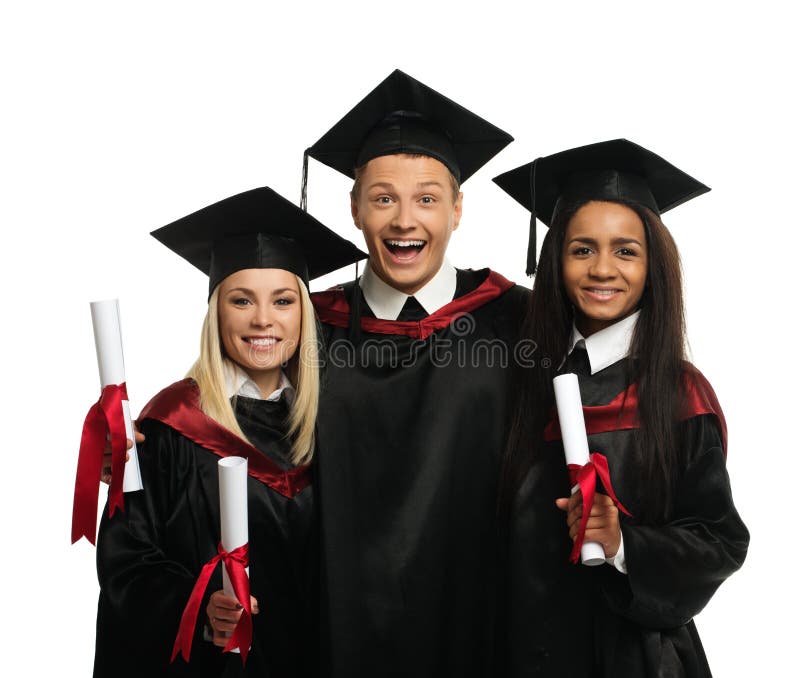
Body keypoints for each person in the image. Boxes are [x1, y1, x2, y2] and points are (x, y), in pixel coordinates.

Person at [303, 70, 531, 676]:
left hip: (481, 620)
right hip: (336, 621)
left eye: (427, 198)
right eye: (383, 198)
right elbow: (239, 433)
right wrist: (154, 454)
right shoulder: (304, 328)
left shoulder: (520, 321)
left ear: (458, 209)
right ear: (354, 209)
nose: (405, 220)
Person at [493, 139, 750, 677]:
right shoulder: (522, 376)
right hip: (522, 646)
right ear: (556, 259)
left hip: (631, 658)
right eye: (582, 249)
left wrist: (622, 543)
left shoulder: (679, 395)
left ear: (653, 264)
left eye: (625, 250)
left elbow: (719, 539)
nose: (602, 269)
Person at [93, 187, 365, 678]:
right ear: (217, 311)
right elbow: (126, 563)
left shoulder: (331, 421)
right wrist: (196, 605)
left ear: (304, 313)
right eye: (242, 300)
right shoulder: (173, 425)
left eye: (283, 301)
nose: (263, 319)